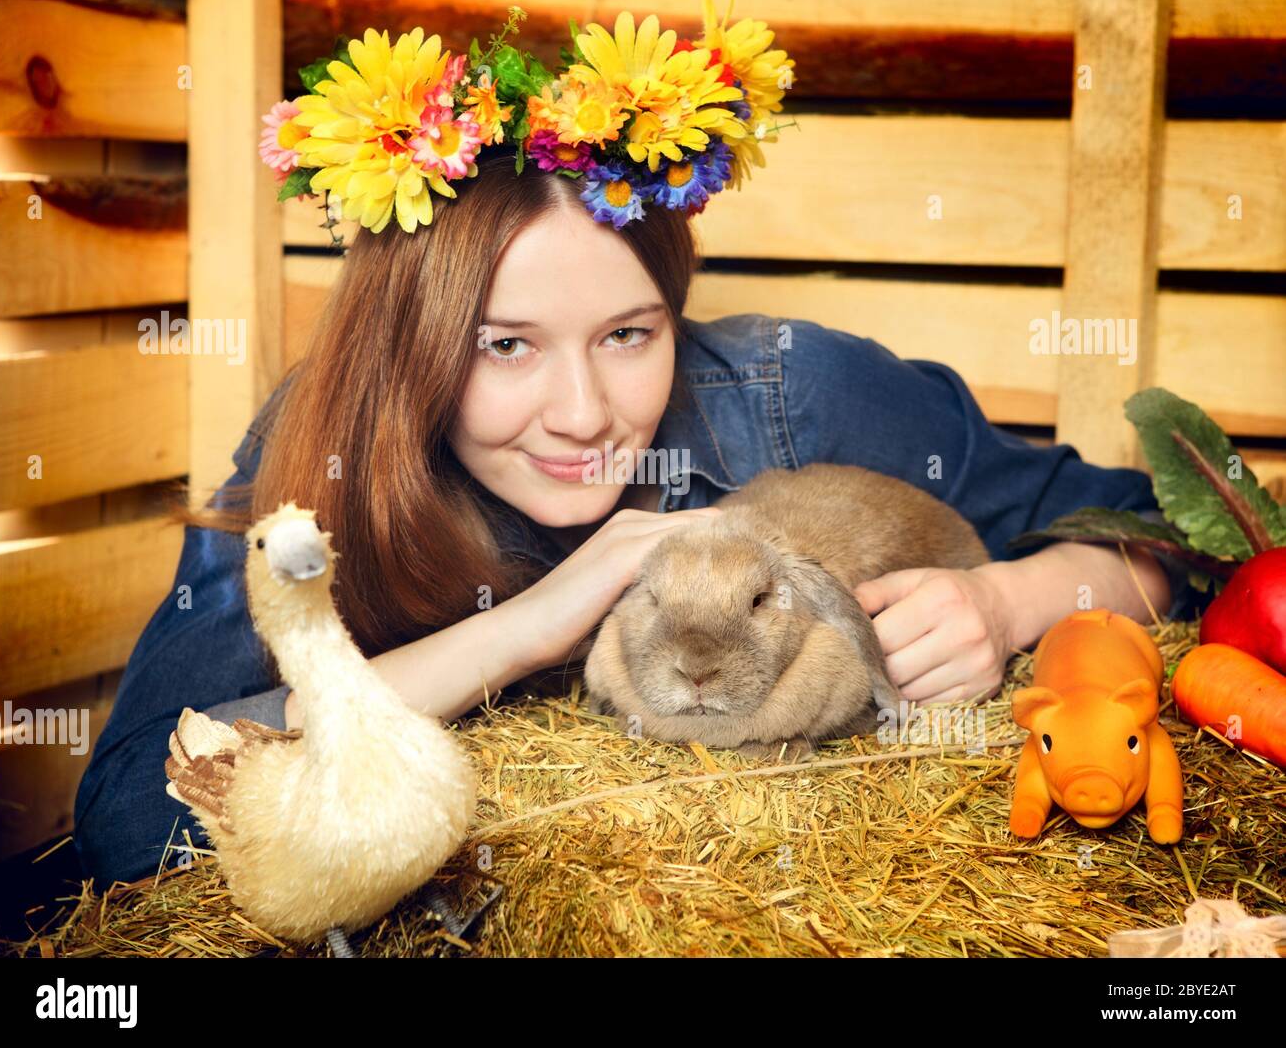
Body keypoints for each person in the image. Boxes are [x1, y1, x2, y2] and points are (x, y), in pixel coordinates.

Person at [72, 147, 1202, 891]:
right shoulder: (317, 453)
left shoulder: (792, 391)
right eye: (504, 346)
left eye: (629, 334)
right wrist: (522, 630)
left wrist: (1006, 600)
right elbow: (126, 821)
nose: (583, 414)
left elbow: (1172, 537)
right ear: (409, 345)